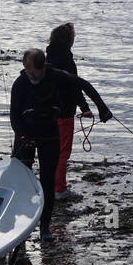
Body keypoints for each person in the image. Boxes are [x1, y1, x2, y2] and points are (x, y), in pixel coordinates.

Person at [10, 48, 112, 238]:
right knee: (21, 182)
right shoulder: (20, 83)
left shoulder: (55, 76)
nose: (32, 75)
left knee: (48, 182)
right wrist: (24, 137)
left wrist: (102, 107)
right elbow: (14, 116)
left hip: (49, 136)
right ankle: (19, 229)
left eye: (35, 72)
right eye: (28, 70)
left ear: (43, 68)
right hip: (25, 137)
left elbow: (83, 84)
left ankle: (44, 228)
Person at [45, 22, 98, 201]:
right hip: (65, 112)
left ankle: (50, 185)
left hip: (49, 113)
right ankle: (59, 189)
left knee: (52, 151)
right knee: (63, 151)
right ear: (68, 41)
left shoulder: (47, 58)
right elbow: (75, 86)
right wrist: (85, 108)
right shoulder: (67, 60)